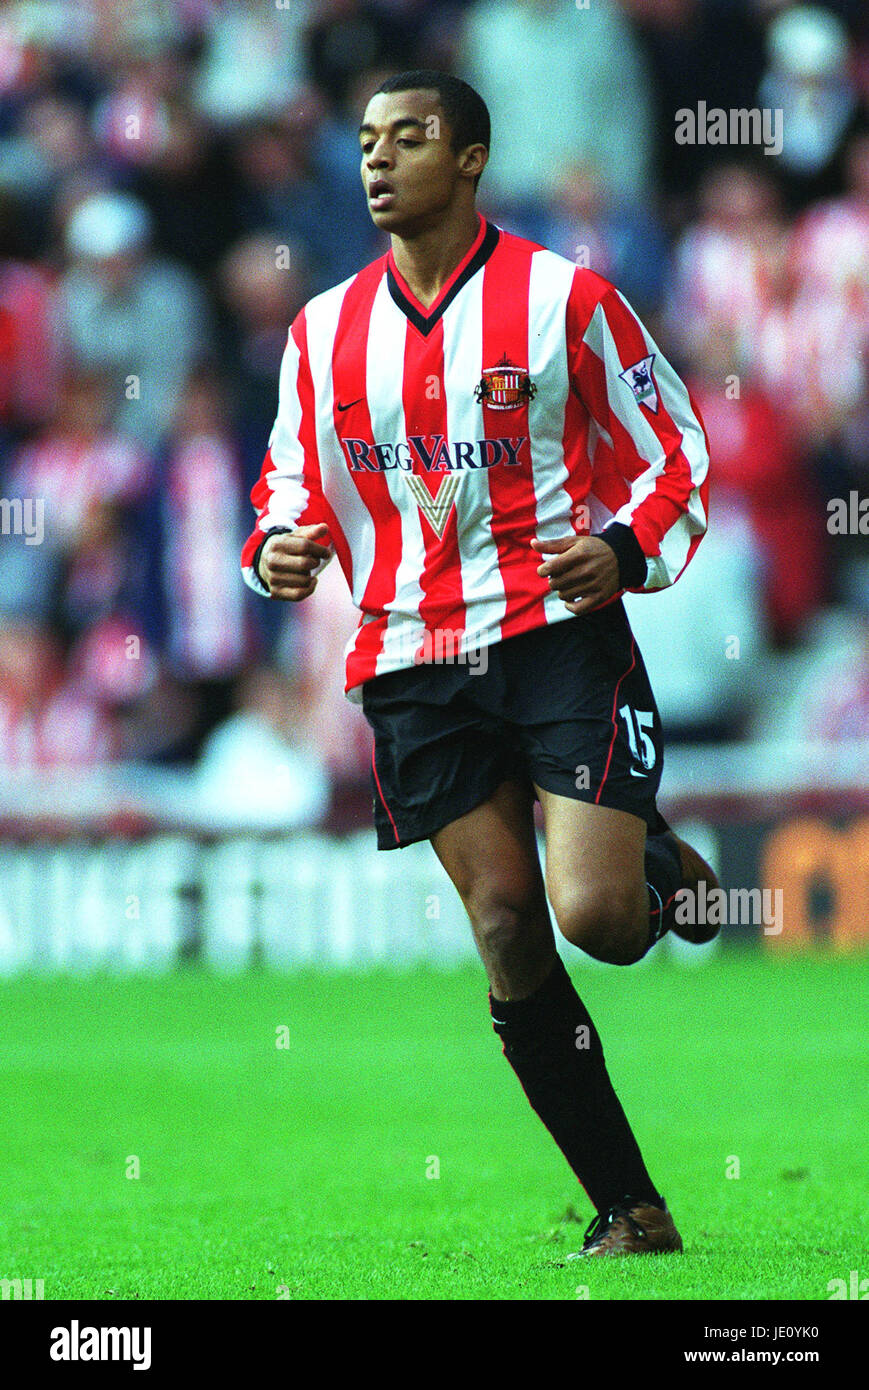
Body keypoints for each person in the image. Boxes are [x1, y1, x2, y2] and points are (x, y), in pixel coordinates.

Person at [241, 70, 716, 1258]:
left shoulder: (564, 301)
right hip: (406, 657)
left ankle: (646, 862)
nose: (376, 160)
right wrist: (276, 553)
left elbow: (675, 452)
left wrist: (618, 549)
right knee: (508, 926)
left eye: (408, 137)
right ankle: (630, 1206)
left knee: (598, 918)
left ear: (469, 159)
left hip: (553, 638)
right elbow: (281, 491)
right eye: (364, 141)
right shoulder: (319, 332)